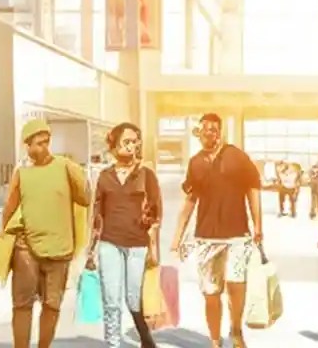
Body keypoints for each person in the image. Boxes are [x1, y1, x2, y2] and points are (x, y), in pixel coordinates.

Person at [169, 113, 263, 348]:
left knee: (236, 284)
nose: (209, 133)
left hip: (238, 236)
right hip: (206, 238)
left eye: (214, 129)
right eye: (205, 129)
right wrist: (177, 237)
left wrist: (258, 224)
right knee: (211, 294)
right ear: (198, 134)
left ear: (220, 132)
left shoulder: (236, 156)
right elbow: (190, 201)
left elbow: (253, 189)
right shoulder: (195, 162)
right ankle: (214, 340)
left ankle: (236, 330)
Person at [2, 118, 90, 348]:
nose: (43, 148)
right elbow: (9, 209)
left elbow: (86, 198)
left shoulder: (65, 166)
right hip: (25, 248)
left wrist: (80, 174)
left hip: (60, 248)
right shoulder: (21, 173)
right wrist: (2, 244)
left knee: (52, 305)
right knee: (22, 304)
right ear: (27, 146)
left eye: (46, 142)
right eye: (37, 143)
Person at [91, 122, 162, 348]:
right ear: (114, 145)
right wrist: (91, 250)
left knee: (134, 299)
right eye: (126, 142)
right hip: (109, 242)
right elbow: (96, 214)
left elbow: (156, 213)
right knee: (111, 300)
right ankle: (113, 344)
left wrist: (154, 247)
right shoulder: (104, 176)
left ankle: (146, 339)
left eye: (134, 142)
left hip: (137, 243)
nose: (131, 146)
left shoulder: (146, 175)